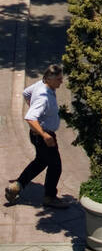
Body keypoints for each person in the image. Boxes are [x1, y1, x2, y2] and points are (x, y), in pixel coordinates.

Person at [5, 64, 69, 209]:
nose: (61, 82)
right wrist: (45, 135)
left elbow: (26, 93)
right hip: (44, 136)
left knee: (40, 162)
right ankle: (49, 197)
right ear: (50, 79)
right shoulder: (43, 97)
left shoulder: (41, 85)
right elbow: (30, 118)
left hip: (38, 135)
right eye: (59, 79)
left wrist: (33, 106)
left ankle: (16, 187)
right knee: (56, 166)